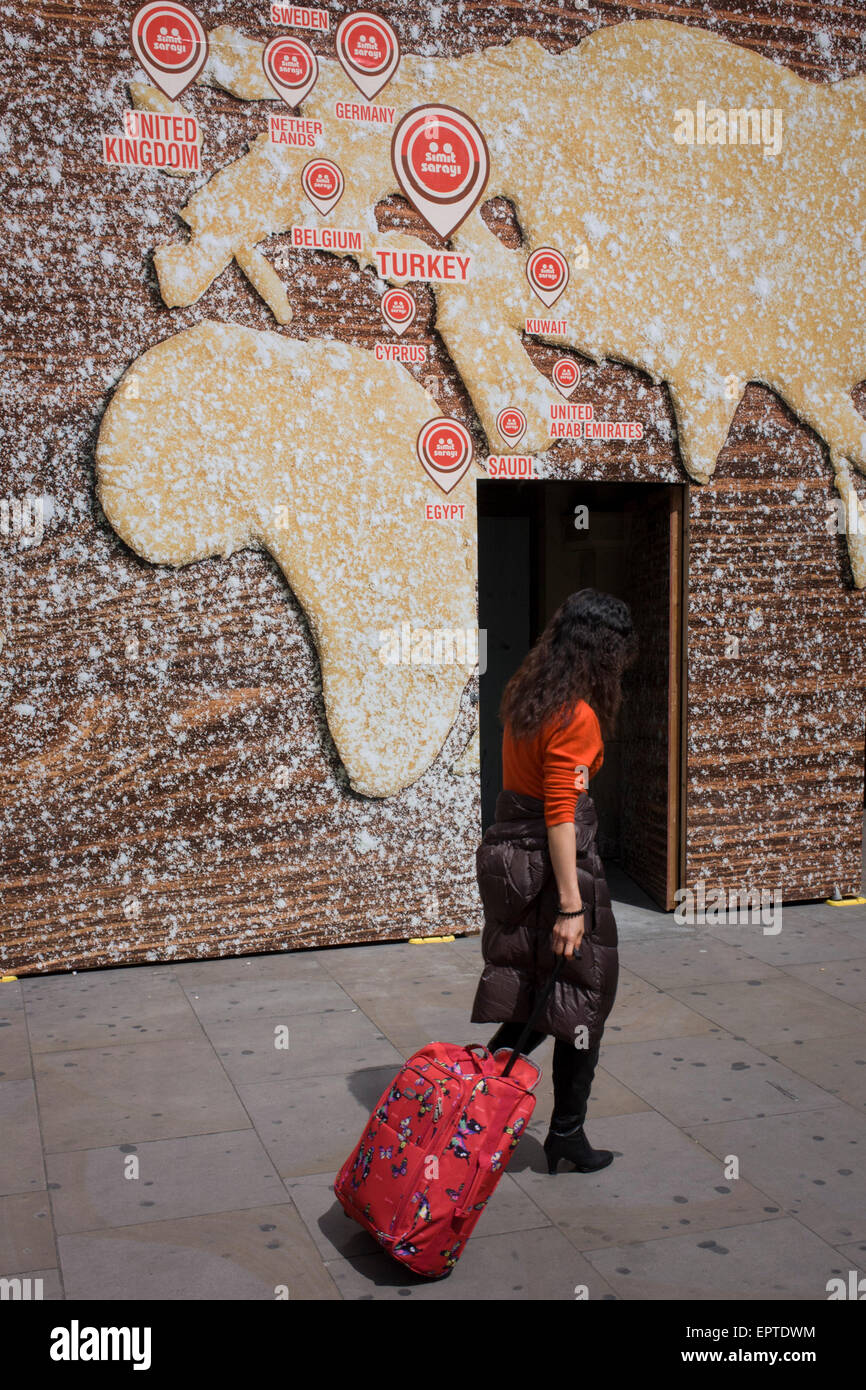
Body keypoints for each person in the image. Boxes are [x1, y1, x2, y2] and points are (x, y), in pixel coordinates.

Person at [470, 588, 638, 1174]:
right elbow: (562, 813)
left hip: (517, 861)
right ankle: (497, 1116)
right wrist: (572, 906)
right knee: (581, 995)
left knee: (547, 993)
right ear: (603, 650)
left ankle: (480, 1109)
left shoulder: (529, 696)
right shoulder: (577, 716)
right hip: (556, 871)